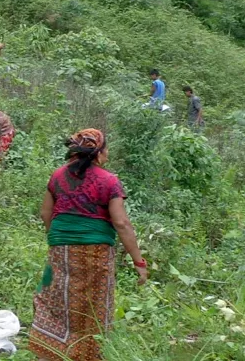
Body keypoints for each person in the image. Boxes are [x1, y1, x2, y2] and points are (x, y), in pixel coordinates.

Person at [30, 129, 148, 361]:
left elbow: (46, 213)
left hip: (60, 249)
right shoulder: (109, 181)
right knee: (91, 307)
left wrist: (59, 240)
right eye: (106, 149)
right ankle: (86, 355)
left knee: (55, 297)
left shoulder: (57, 177)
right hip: (96, 252)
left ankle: (51, 351)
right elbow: (121, 223)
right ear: (99, 153)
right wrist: (138, 261)